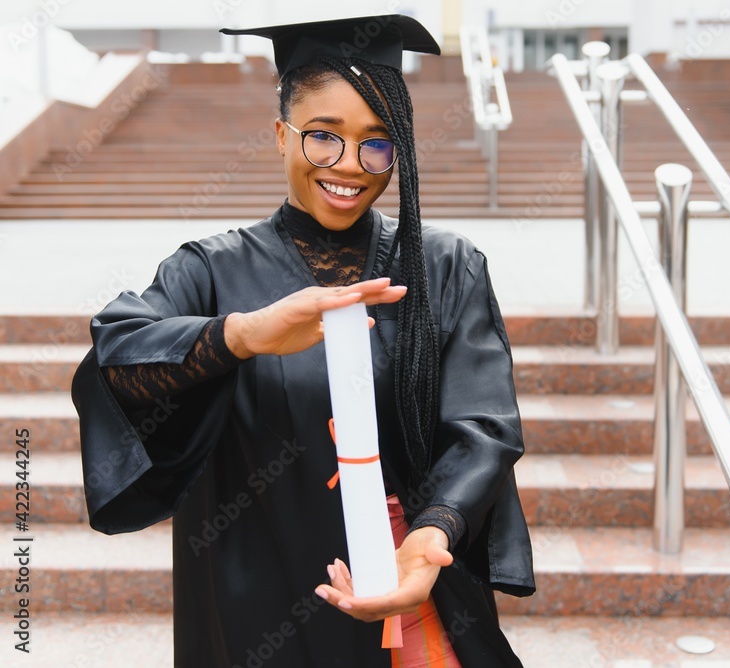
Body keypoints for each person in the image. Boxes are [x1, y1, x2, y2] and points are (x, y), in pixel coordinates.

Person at [71, 14, 534, 667]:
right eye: (324, 137)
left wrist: (435, 534)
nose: (349, 165)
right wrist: (243, 334)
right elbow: (118, 359)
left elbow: (485, 428)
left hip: (412, 580)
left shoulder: (445, 266)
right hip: (256, 586)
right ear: (281, 134)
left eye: (377, 143)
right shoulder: (212, 269)